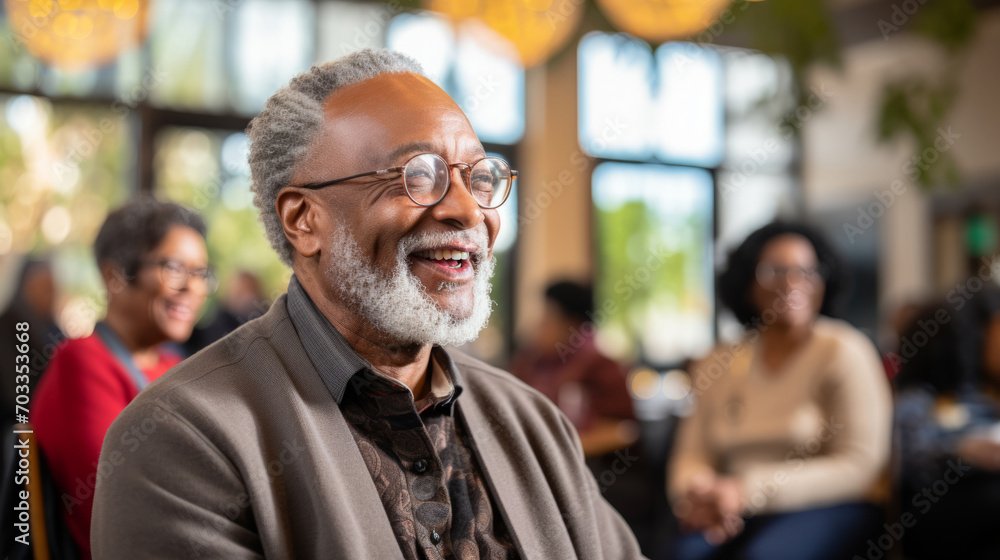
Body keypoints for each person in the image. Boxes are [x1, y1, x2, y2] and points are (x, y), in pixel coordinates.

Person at [91, 49, 644, 559]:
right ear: (304, 221)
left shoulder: (533, 424)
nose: (469, 211)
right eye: (418, 177)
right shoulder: (181, 440)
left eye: (478, 177)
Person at [667, 221, 892, 560]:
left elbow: (859, 466)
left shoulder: (844, 350)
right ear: (747, 282)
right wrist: (698, 493)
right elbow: (691, 454)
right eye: (774, 270)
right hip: (728, 505)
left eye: (806, 271)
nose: (790, 282)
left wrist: (748, 491)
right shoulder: (720, 360)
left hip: (826, 505)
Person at [30, 198, 212, 559]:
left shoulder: (174, 365)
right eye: (174, 268)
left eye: (202, 273)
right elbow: (118, 508)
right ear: (114, 277)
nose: (193, 287)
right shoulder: (82, 363)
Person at [893, 289, 1000, 559]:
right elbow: (914, 462)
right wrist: (960, 450)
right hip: (940, 508)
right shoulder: (917, 400)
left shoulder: (982, 396)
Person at [511, 280, 637, 457]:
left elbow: (622, 431)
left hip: (585, 466)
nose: (538, 325)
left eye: (547, 317)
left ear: (572, 324)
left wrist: (560, 450)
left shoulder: (601, 367)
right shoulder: (532, 362)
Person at [1, 258, 63, 463]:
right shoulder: (8, 328)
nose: (52, 296)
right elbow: (17, 394)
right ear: (27, 288)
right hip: (19, 435)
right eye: (45, 289)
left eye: (54, 289)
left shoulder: (51, 328)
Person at [183, 269, 269, 355]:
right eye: (238, 292)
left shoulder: (262, 320)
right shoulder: (221, 318)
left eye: (245, 292)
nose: (240, 297)